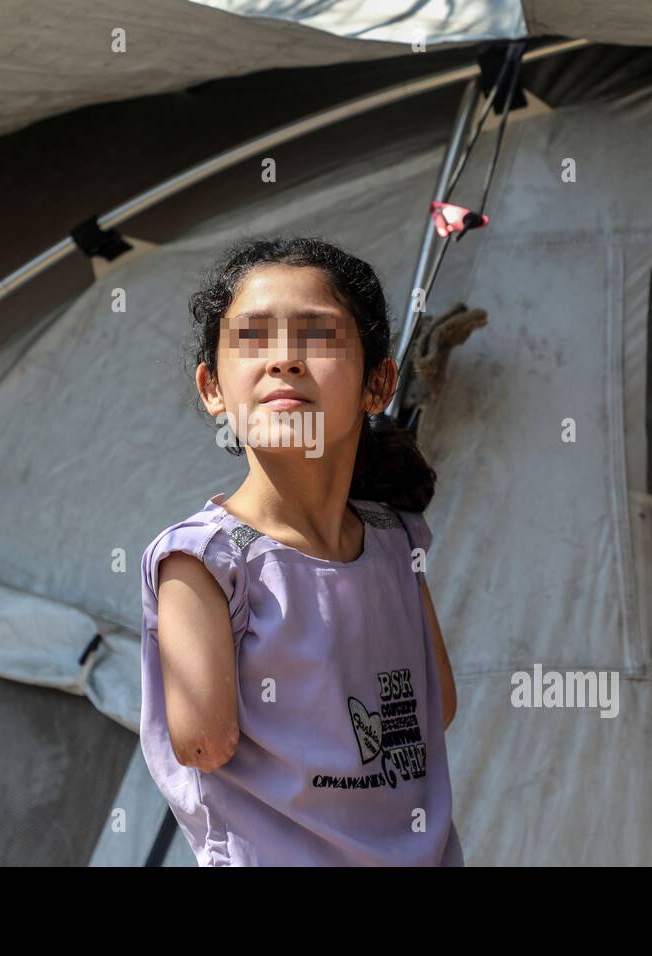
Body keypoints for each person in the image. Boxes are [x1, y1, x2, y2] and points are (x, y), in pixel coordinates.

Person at [139, 235, 463, 866]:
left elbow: (436, 705)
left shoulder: (395, 537)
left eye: (318, 335)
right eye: (252, 338)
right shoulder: (200, 561)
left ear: (379, 383)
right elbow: (200, 744)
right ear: (212, 387)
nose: (283, 359)